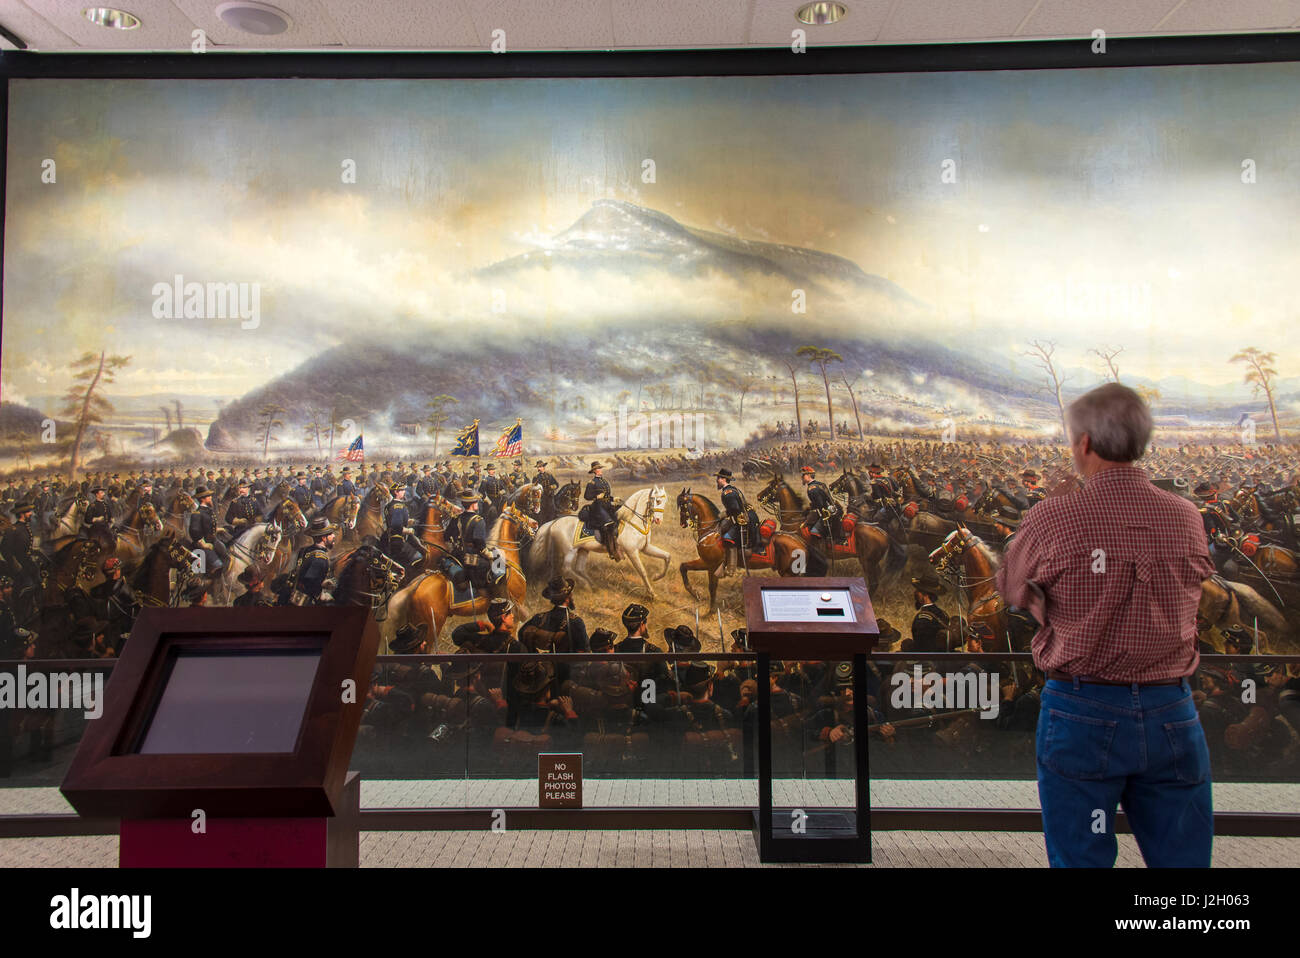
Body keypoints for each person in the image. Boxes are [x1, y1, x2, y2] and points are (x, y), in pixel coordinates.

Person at [996, 382, 1215, 868]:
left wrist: (1050, 604)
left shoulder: (1055, 514)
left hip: (1082, 709)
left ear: (1085, 443)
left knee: (1081, 858)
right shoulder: (1186, 515)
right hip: (1172, 708)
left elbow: (1010, 586)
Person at [715, 468, 759, 578]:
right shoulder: (734, 489)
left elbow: (734, 508)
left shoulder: (727, 493)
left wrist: (721, 515)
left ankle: (731, 570)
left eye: (718, 478)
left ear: (723, 479)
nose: (717, 480)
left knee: (728, 538)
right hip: (747, 517)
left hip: (744, 521)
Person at [583, 462, 621, 560]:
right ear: (594, 471)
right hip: (598, 507)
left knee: (620, 516)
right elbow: (586, 496)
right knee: (609, 525)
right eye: (598, 468)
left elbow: (606, 496)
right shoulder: (592, 483)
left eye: (600, 468)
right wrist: (596, 497)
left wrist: (613, 499)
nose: (600, 470)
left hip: (607, 505)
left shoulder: (604, 481)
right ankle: (611, 550)